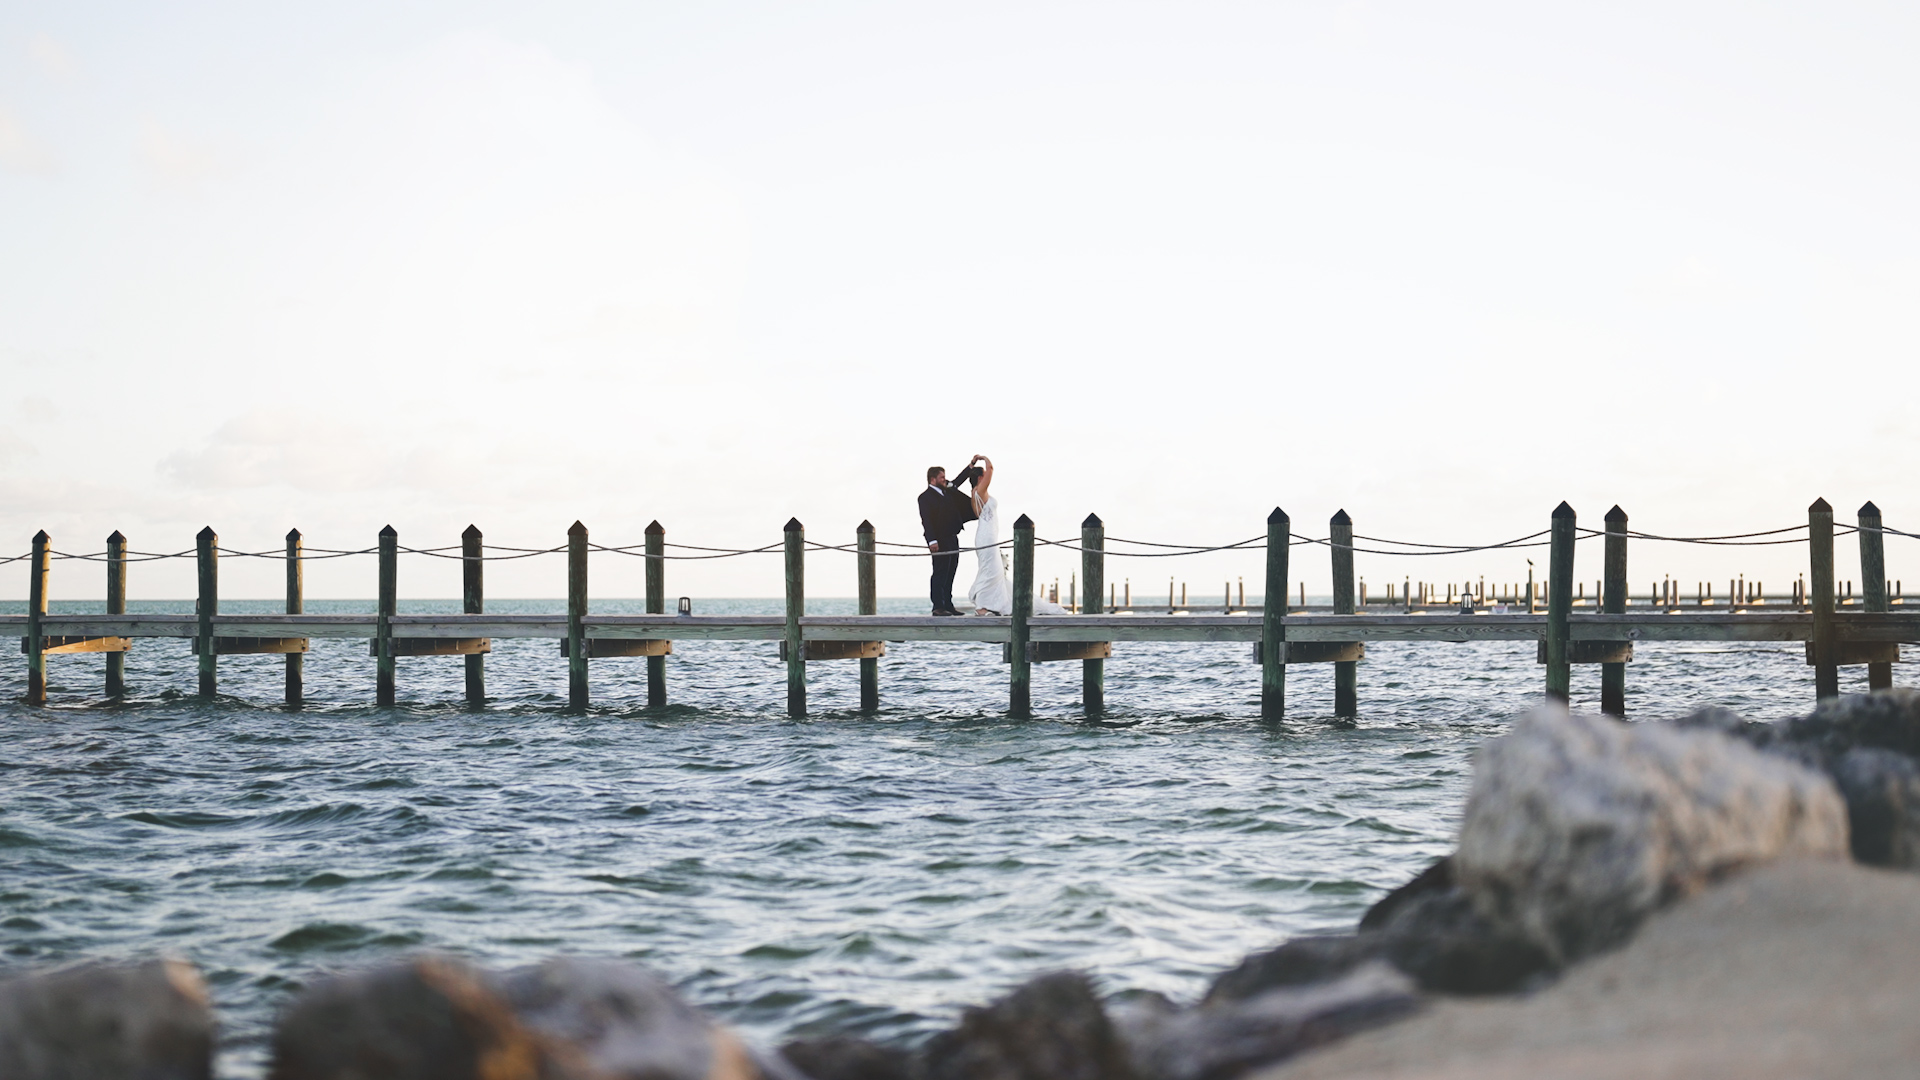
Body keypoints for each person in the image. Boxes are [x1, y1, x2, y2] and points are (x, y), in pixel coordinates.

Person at [957, 456, 1067, 616]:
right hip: (986, 537)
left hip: (987, 536)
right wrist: (984, 459)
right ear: (980, 478)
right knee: (991, 572)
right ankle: (982, 607)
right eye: (983, 475)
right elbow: (991, 469)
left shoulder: (975, 493)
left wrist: (973, 463)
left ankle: (989, 606)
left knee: (993, 571)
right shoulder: (980, 491)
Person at [918, 463, 978, 615]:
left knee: (951, 572)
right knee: (940, 573)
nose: (945, 480)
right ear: (932, 480)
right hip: (939, 540)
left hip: (952, 538)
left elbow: (958, 481)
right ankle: (938, 606)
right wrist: (932, 541)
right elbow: (927, 521)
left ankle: (948, 605)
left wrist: (971, 466)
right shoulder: (924, 498)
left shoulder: (947, 491)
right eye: (942, 477)